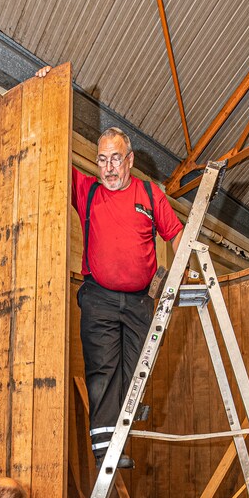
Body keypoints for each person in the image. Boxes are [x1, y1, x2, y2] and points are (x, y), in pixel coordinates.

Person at [37, 65, 183, 468]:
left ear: (130, 160)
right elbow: (49, 156)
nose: (109, 167)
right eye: (102, 160)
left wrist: (177, 274)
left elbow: (177, 236)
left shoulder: (151, 195)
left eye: (116, 159)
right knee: (103, 369)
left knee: (137, 370)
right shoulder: (86, 191)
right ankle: (106, 449)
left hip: (139, 302)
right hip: (99, 297)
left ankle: (125, 428)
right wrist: (45, 92)